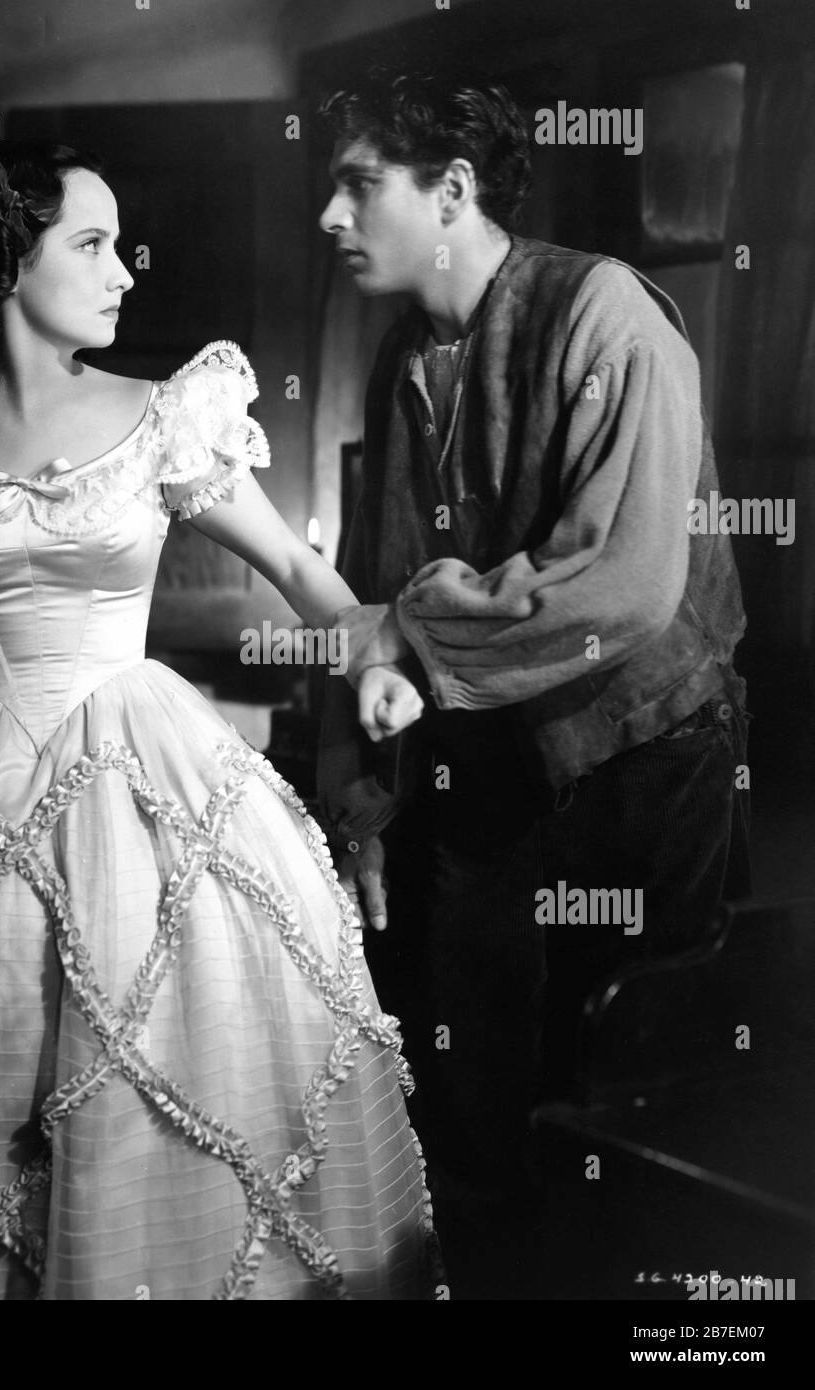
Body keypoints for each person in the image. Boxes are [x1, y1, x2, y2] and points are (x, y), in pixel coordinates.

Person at [0, 139, 439, 1301]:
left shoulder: (165, 415)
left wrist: (374, 655)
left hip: (139, 766)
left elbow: (298, 567)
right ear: (4, 260)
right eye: (90, 244)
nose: (124, 272)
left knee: (155, 1057)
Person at [314, 69, 751, 1290]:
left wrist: (411, 637)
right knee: (472, 1113)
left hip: (645, 758)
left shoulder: (605, 311)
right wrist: (364, 793)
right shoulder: (401, 360)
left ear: (451, 189)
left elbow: (624, 583)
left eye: (358, 185)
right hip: (488, 774)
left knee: (628, 1103)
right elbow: (377, 595)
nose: (330, 218)